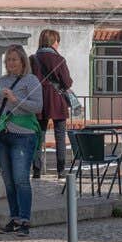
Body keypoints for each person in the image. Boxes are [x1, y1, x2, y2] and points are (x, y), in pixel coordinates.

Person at [0, 44, 43, 236]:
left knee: (21, 178)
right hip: (3, 134)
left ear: (22, 61)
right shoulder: (2, 80)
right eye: (8, 60)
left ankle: (25, 220)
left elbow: (38, 107)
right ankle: (14, 218)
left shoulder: (31, 80)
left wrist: (15, 99)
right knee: (8, 180)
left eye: (14, 59)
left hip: (23, 135)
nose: (10, 63)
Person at [30, 29, 74, 179]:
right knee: (60, 137)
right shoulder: (59, 59)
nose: (58, 45)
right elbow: (67, 82)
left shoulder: (32, 59)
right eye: (57, 41)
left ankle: (36, 171)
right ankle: (61, 171)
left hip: (38, 101)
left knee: (38, 136)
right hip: (57, 101)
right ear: (54, 42)